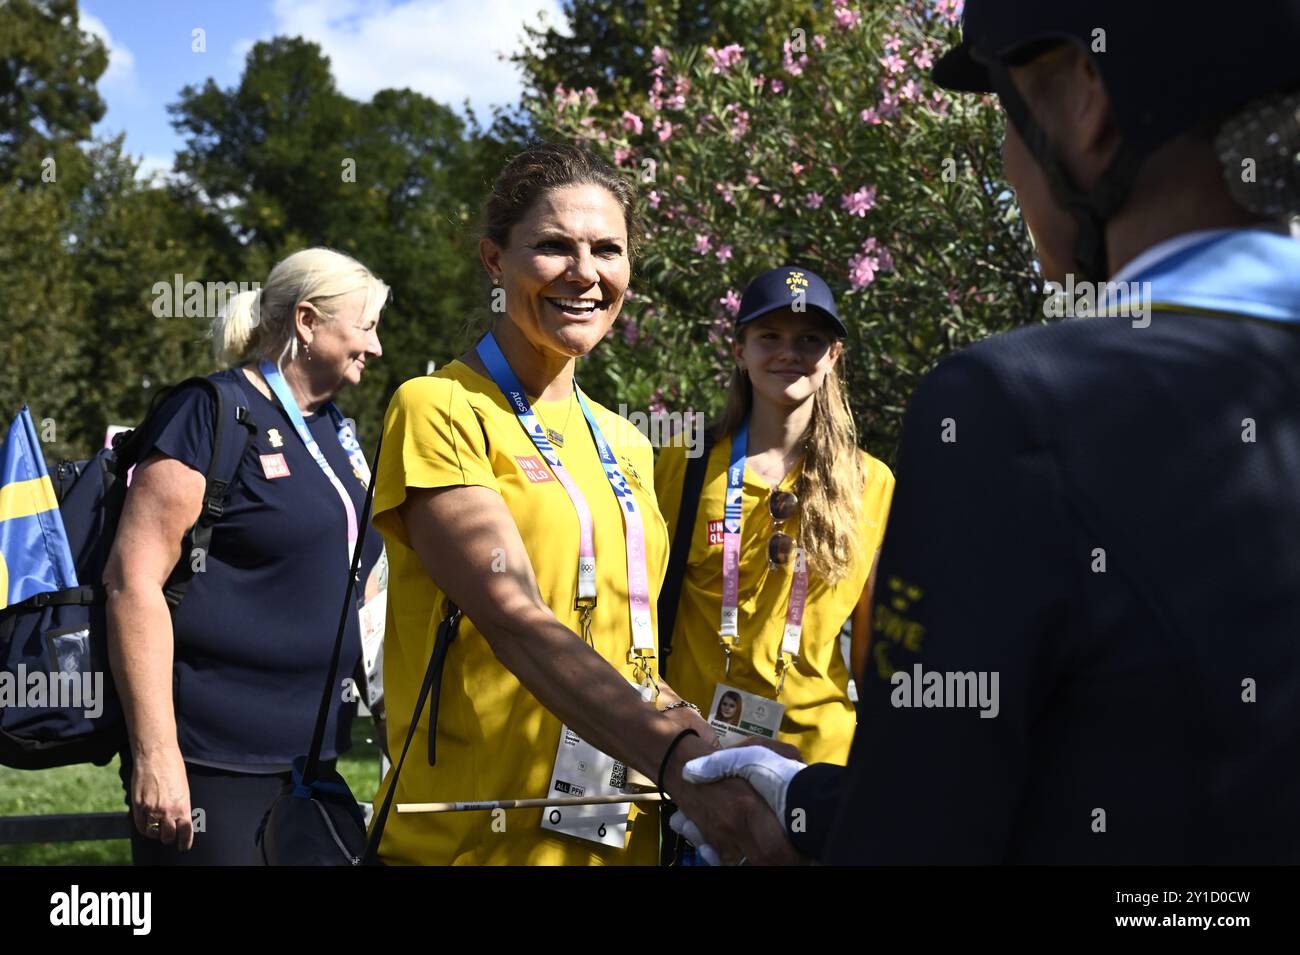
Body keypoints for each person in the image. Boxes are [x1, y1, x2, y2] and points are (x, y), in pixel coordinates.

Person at [674, 1, 1300, 864]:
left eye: (1007, 118)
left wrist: (799, 809)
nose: (1007, 165)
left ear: (1089, 99)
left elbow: (919, 826)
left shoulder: (1013, 403)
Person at [369, 142, 796, 865]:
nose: (586, 273)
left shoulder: (627, 443)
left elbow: (624, 654)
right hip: (466, 849)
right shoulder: (438, 407)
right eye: (553, 247)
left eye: (607, 249)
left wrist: (715, 748)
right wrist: (677, 758)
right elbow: (516, 620)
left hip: (612, 847)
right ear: (493, 261)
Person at [105, 247, 389, 865]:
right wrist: (157, 755)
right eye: (365, 327)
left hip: (312, 763)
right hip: (210, 764)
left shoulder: (336, 431)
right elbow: (132, 582)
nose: (377, 347)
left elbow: (360, 577)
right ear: (308, 322)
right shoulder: (208, 412)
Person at [655, 267, 893, 768]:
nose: (790, 352)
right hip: (695, 751)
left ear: (833, 355)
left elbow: (878, 651)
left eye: (810, 339)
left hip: (819, 759)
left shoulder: (872, 482)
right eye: (770, 336)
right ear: (740, 350)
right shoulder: (686, 461)